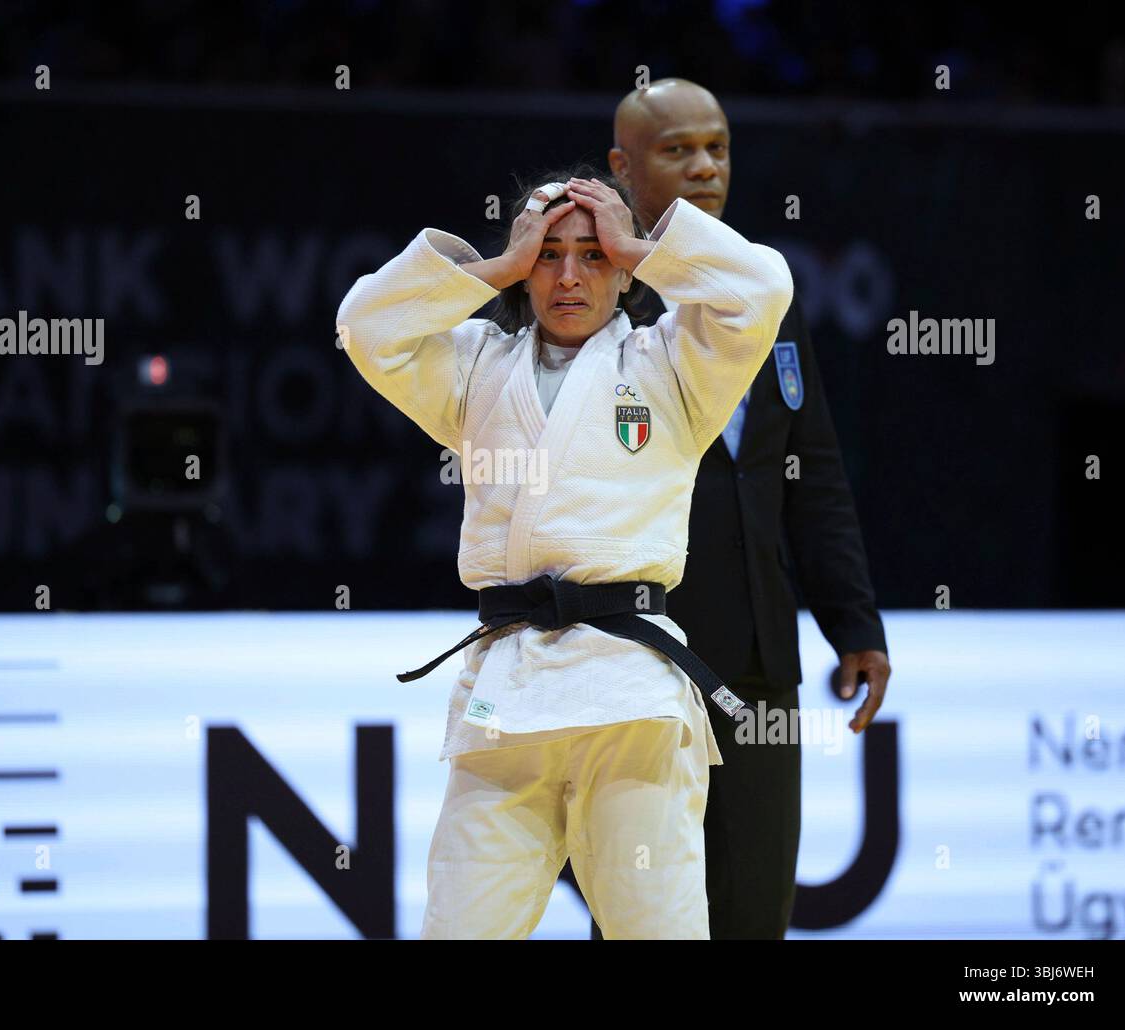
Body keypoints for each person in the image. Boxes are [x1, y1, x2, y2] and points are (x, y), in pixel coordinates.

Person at [336, 165, 792, 939]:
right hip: (506, 701)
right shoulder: (477, 366)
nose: (570, 276)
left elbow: (763, 288)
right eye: (549, 254)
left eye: (593, 255)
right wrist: (495, 269)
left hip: (630, 699)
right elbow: (363, 324)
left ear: (622, 269)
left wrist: (642, 245)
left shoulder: (671, 365)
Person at [608, 79, 892, 939]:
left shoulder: (767, 288)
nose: (704, 167)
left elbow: (813, 478)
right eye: (677, 150)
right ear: (623, 169)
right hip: (638, 654)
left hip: (763, 657)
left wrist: (855, 625)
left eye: (718, 148)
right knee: (640, 913)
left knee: (755, 907)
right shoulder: (593, 296)